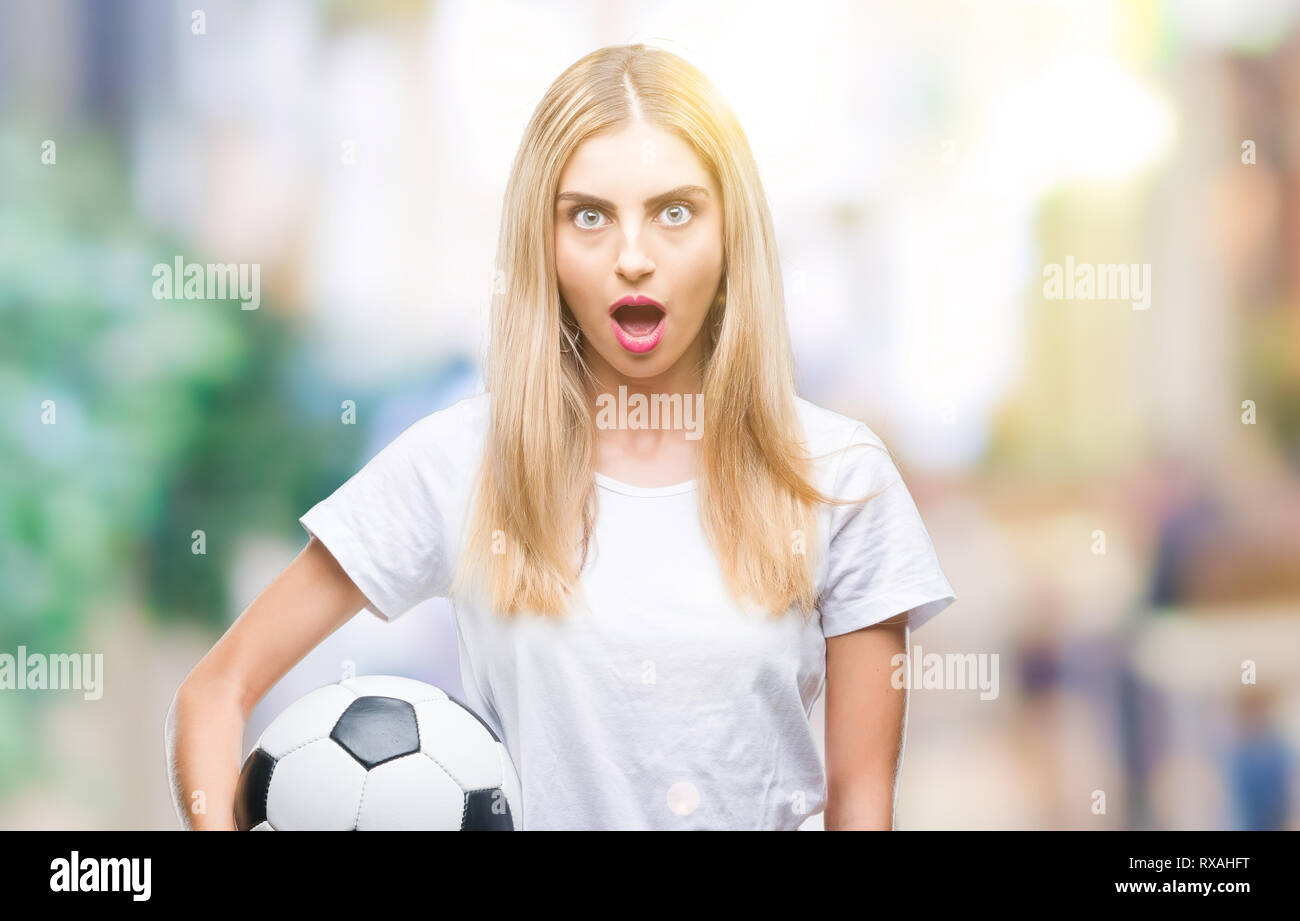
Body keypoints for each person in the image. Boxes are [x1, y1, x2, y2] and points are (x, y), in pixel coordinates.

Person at [165, 42, 956, 831]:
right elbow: (216, 689)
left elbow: (861, 805)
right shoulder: (461, 463)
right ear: (541, 244)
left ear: (731, 234)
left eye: (674, 211)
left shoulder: (840, 476)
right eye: (588, 216)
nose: (633, 258)